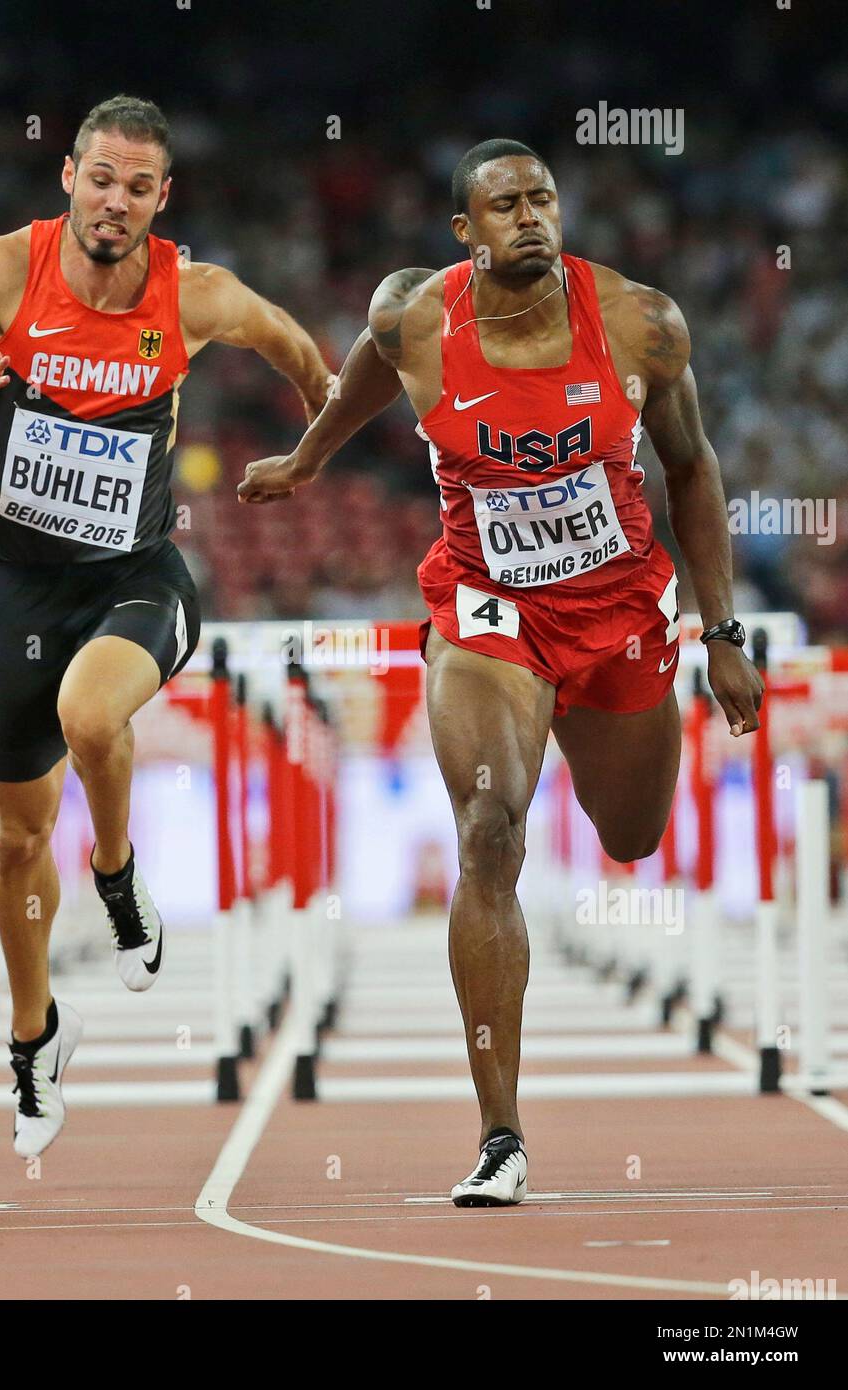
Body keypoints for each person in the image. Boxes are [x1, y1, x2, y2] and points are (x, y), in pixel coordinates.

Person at [238, 138, 764, 1207]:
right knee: (488, 827)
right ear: (463, 233)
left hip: (616, 609)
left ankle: (615, 717)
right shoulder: (413, 317)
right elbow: (365, 377)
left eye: (542, 199)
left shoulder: (640, 323)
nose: (529, 217)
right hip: (486, 610)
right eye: (504, 205)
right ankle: (499, 1133)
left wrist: (720, 634)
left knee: (631, 837)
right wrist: (306, 458)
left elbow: (691, 467)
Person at [0, 95, 332, 1159]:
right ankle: (35, 1039)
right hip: (19, 590)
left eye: (138, 186)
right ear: (68, 177)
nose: (115, 200)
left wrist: (311, 452)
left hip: (139, 578)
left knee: (89, 711)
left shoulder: (194, 292)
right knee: (18, 837)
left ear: (160, 198)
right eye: (100, 178)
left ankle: (118, 877)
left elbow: (299, 347)